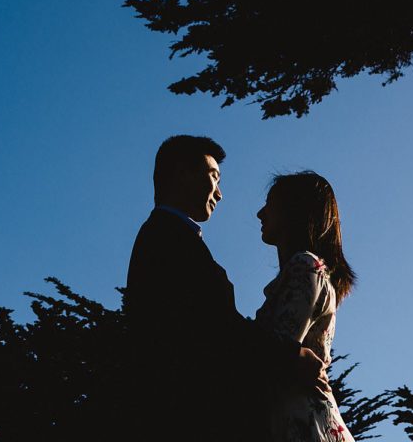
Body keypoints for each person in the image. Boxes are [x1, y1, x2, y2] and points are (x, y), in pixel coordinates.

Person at [125, 135, 330, 440]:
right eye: (213, 176)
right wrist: (290, 356)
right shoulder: (168, 239)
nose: (219, 193)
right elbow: (213, 326)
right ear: (182, 172)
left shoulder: (170, 238)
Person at [253, 171, 357, 442]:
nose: (260, 214)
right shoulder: (307, 269)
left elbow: (274, 349)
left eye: (271, 204)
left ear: (294, 212)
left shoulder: (306, 266)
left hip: (305, 426)